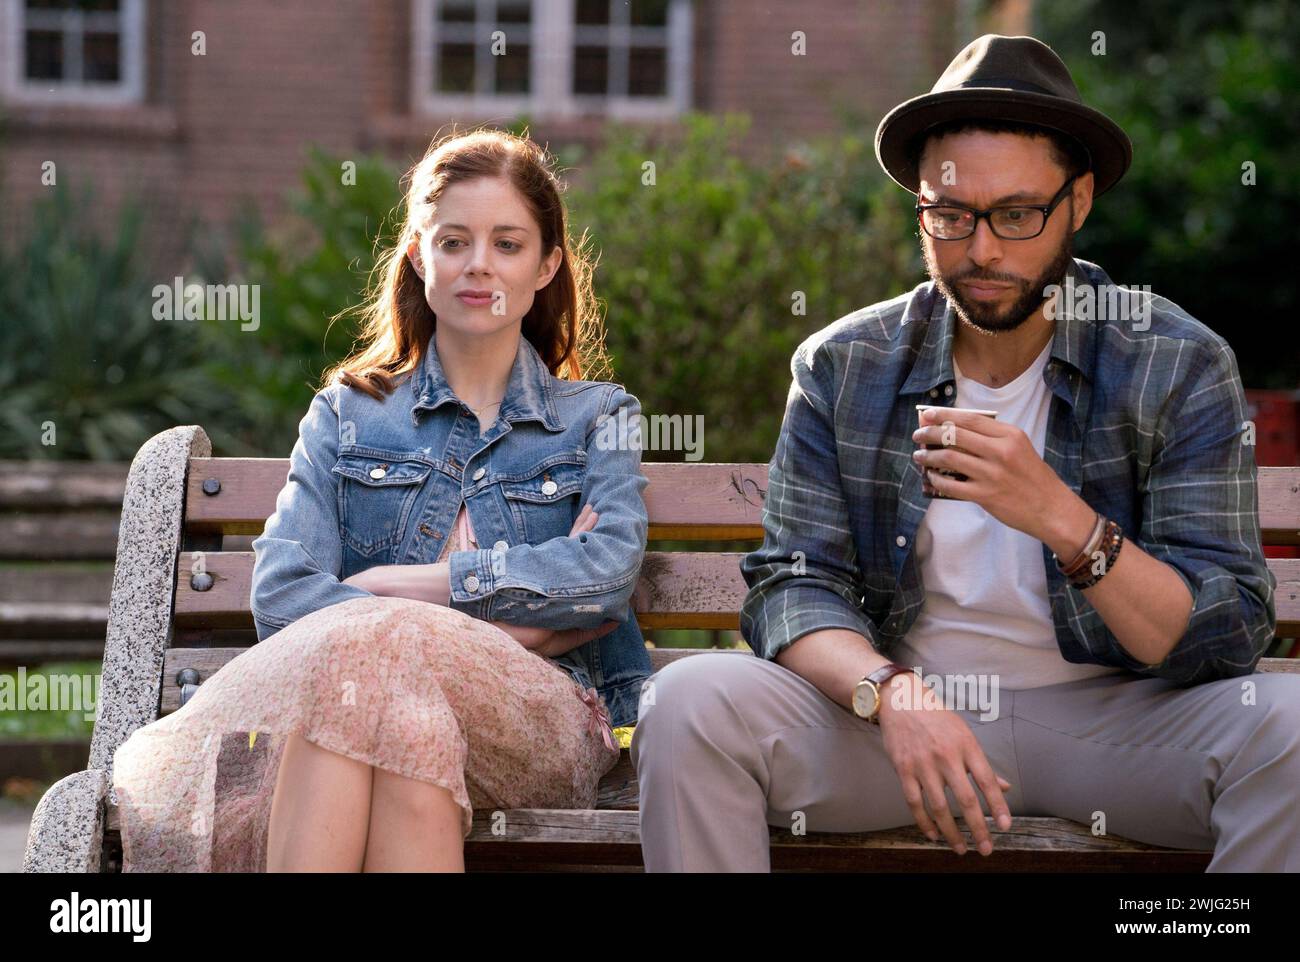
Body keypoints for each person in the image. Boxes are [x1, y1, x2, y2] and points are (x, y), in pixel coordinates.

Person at [631, 34, 1290, 872]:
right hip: (902, 731)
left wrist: (1062, 520)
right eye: (950, 214)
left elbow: (1226, 633)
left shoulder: (1176, 362)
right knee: (687, 700)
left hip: (1123, 727)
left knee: (1292, 731)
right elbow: (793, 586)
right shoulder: (846, 365)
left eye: (1017, 215)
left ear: (1078, 201)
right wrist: (889, 692)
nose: (981, 250)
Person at [111, 128, 652, 872]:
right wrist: (533, 620)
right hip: (367, 704)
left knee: (367, 669)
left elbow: (605, 576)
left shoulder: (602, 416)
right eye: (455, 241)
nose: (479, 266)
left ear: (547, 264)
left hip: (539, 724)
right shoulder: (346, 413)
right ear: (418, 255)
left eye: (507, 243)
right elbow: (284, 598)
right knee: (395, 709)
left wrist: (391, 587)